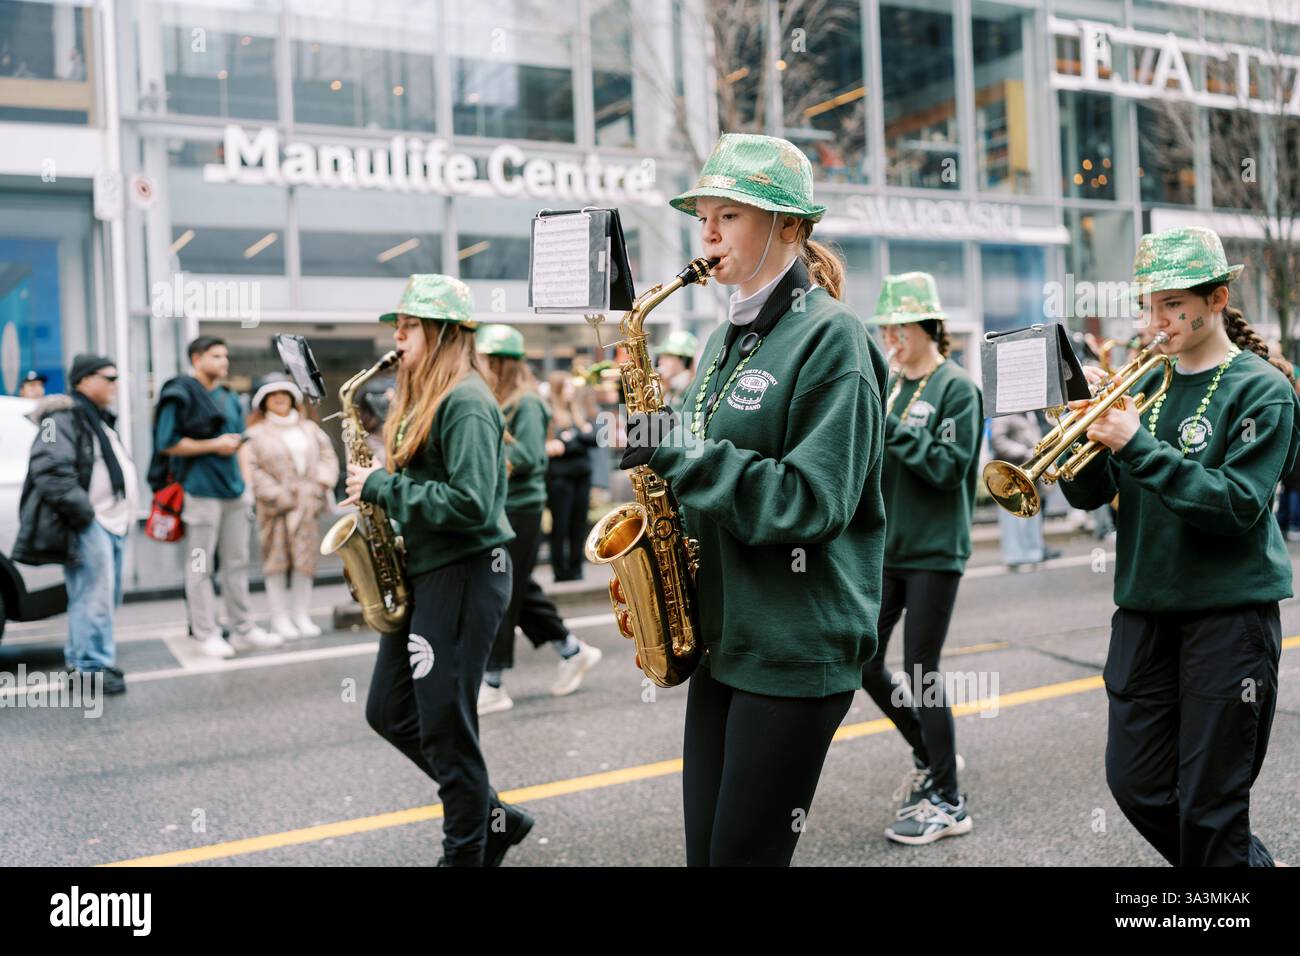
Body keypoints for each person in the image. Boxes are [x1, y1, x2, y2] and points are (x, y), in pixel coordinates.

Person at [621, 133, 887, 866]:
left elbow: (811, 504)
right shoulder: (723, 340)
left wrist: (677, 452)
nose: (706, 232)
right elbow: (705, 468)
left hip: (794, 646)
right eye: (703, 215)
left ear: (791, 227)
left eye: (729, 214)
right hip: (726, 642)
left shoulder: (834, 340)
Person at [1058, 226, 1297, 867]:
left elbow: (1237, 507)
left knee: (1211, 805)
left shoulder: (1261, 389)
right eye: (1147, 304)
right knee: (1136, 784)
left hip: (1228, 616)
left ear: (1217, 299)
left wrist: (1137, 444)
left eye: (1170, 304)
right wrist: (1078, 435)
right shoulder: (1142, 385)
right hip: (1144, 610)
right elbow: (1089, 498)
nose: (1154, 321)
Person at [342, 275, 532, 867]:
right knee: (388, 711)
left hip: (464, 573)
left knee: (447, 728)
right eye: (396, 325)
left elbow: (474, 504)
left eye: (408, 326)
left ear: (444, 332)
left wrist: (383, 485)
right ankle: (495, 818)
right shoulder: (420, 395)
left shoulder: (467, 401)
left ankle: (467, 853)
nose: (396, 337)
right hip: (428, 571)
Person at [862, 272, 982, 845]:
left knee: (922, 669)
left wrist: (887, 428)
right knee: (862, 659)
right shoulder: (888, 384)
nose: (891, 337)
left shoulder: (956, 387)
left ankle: (950, 800)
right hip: (887, 548)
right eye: (886, 327)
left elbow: (947, 468)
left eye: (899, 327)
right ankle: (929, 752)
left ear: (928, 326)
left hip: (936, 550)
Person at [475, 325, 602, 715]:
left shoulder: (527, 403)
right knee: (516, 587)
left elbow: (529, 457)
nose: (477, 365)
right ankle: (572, 649)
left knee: (501, 591)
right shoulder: (502, 399)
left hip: (520, 508)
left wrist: (477, 469)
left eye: (483, 359)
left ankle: (493, 682)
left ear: (499, 363)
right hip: (504, 506)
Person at [13, 355, 138, 695]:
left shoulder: (94, 418)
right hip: (91, 522)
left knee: (103, 597)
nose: (115, 384)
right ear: (84, 380)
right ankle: (87, 668)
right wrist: (84, 515)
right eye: (108, 377)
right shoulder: (62, 416)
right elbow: (50, 469)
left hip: (109, 522)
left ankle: (93, 662)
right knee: (91, 597)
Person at [151, 336, 277, 657]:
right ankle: (205, 632)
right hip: (199, 490)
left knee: (237, 562)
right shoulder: (179, 394)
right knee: (200, 565)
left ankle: (243, 628)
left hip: (234, 491)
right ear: (197, 359)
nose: (224, 362)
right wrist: (213, 445)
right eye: (216, 356)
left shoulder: (230, 397)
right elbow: (167, 442)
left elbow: (241, 444)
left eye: (225, 355)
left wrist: (246, 485)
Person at [240, 375, 339, 640]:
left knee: (305, 562)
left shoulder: (309, 429)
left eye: (284, 394)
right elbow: (251, 468)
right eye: (273, 395)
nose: (280, 399)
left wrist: (320, 484)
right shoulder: (255, 434)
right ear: (263, 402)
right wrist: (277, 494)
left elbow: (328, 458)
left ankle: (301, 615)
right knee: (276, 562)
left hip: (307, 506)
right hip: (276, 510)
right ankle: (279, 618)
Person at [544, 371, 598, 581]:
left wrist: (570, 440)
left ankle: (577, 569)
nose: (571, 390)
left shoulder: (577, 412)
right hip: (560, 480)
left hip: (581, 477)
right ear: (558, 389)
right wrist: (578, 437)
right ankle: (560, 571)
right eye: (567, 386)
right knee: (561, 525)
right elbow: (556, 445)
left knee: (578, 524)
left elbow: (592, 438)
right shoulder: (551, 415)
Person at [989, 410, 1058, 569]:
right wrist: (1025, 452)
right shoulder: (1005, 414)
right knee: (1012, 519)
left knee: (1031, 515)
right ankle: (1015, 557)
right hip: (1011, 472)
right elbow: (998, 440)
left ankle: (1033, 553)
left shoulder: (1028, 414)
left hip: (1027, 471)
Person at [655, 330, 699, 409]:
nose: (660, 361)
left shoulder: (693, 392)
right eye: (660, 357)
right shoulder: (668, 388)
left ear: (684, 360)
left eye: (667, 357)